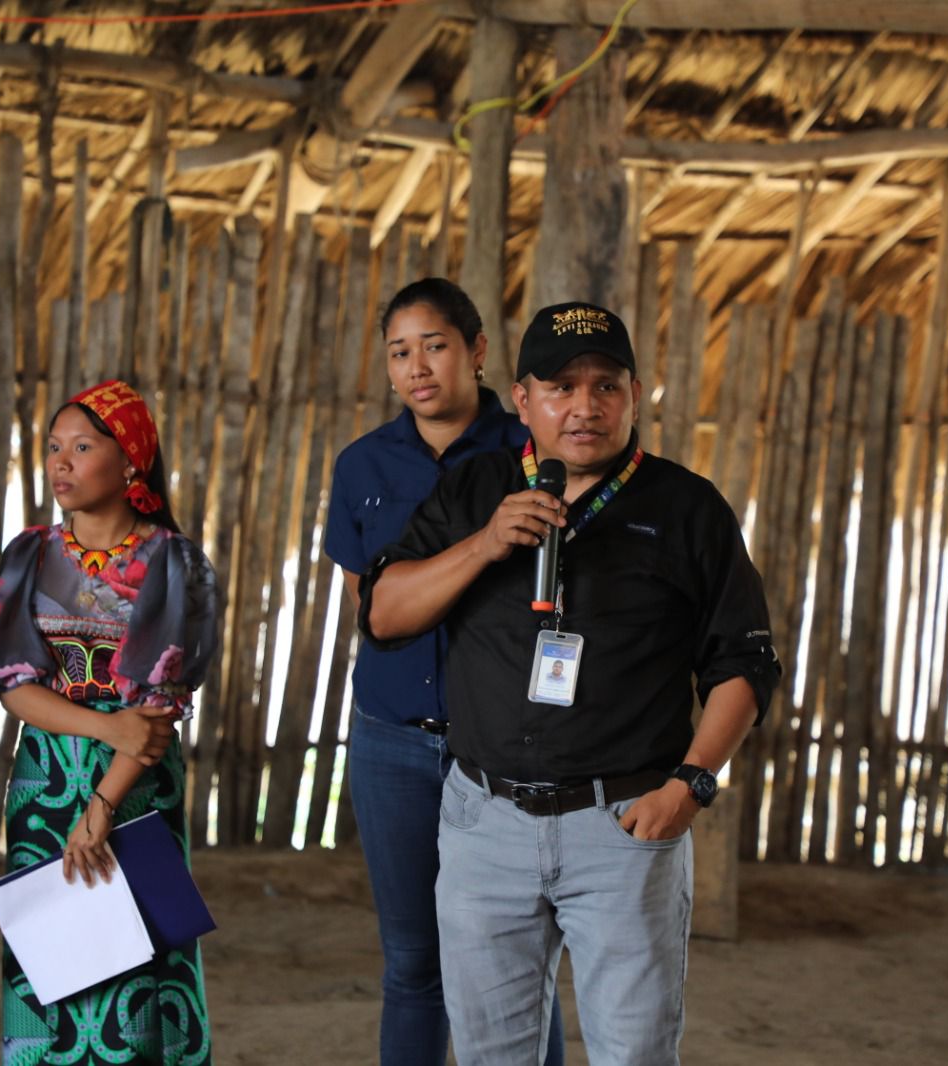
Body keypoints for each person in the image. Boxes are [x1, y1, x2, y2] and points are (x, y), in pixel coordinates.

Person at [362, 301, 782, 1065]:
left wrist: (690, 784)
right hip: (484, 822)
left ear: (635, 394)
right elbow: (385, 614)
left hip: (624, 824)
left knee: (634, 1053)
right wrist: (486, 544)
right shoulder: (473, 489)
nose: (584, 407)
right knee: (495, 1055)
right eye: (560, 387)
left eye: (605, 386)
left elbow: (745, 664)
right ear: (522, 399)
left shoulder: (688, 509)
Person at [324, 278, 565, 1066]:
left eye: (435, 345)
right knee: (413, 964)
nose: (418, 366)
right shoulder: (363, 466)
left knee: (518, 967)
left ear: (478, 352)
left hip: (498, 748)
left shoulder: (532, 456)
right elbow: (380, 615)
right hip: (391, 740)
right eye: (400, 352)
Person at [0, 380, 220, 1066]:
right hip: (44, 786)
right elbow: (11, 683)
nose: (62, 463)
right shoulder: (29, 556)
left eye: (82, 447)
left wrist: (104, 804)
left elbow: (157, 709)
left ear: (131, 461)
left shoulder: (175, 563)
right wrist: (106, 727)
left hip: (136, 791)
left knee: (137, 959)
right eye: (54, 449)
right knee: (50, 952)